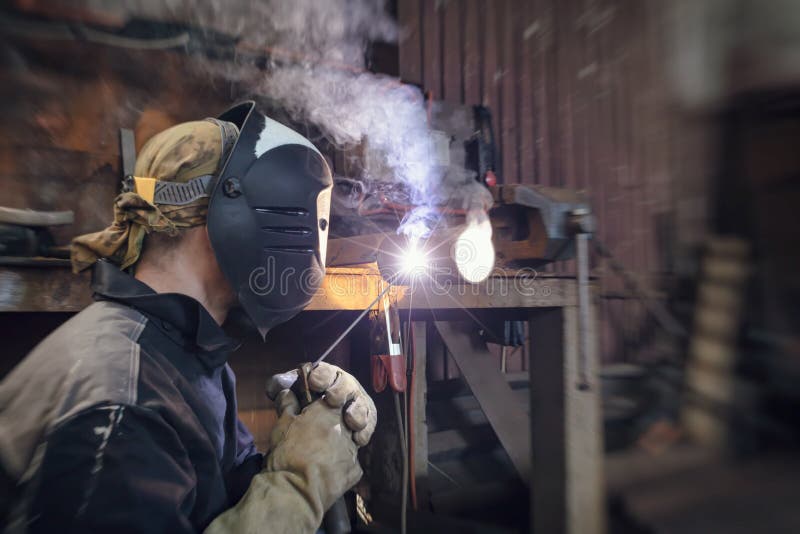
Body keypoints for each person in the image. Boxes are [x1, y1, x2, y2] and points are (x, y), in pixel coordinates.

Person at [0, 102, 376, 533]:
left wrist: (301, 442)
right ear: (226, 216)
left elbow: (215, 503)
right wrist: (300, 485)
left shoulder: (183, 352)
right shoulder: (121, 404)